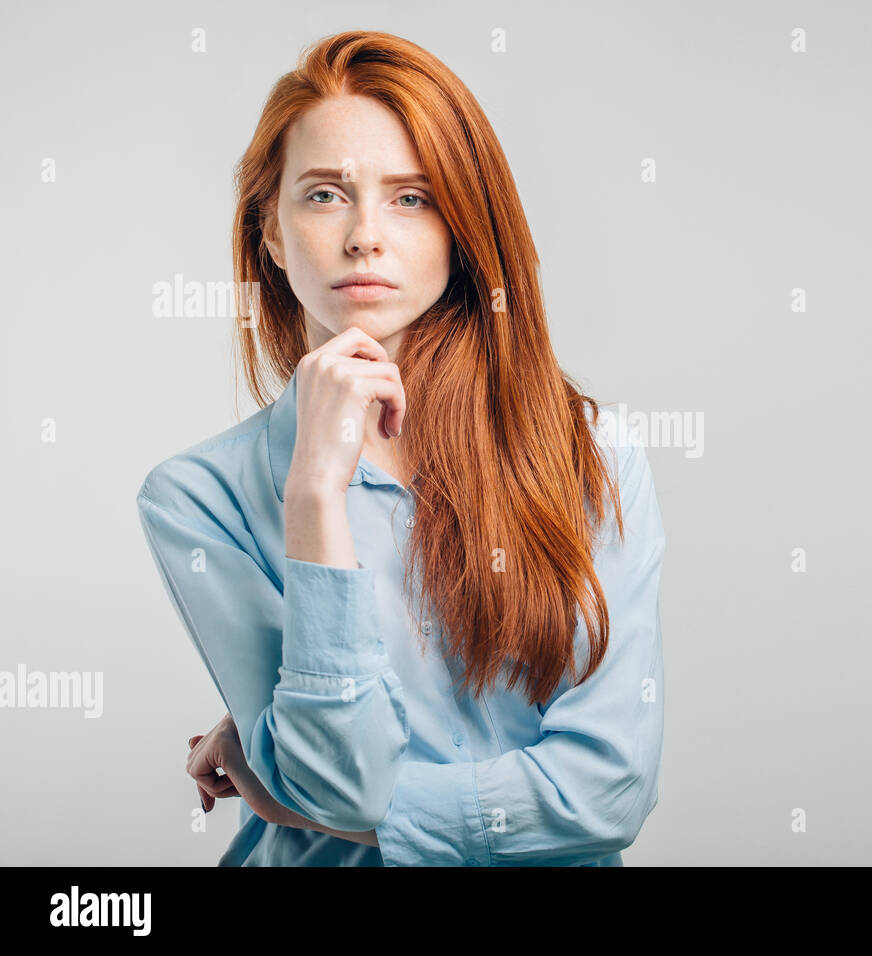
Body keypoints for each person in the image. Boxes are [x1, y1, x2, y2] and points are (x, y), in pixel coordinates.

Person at [135, 30, 666, 866]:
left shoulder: (592, 454)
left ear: (460, 229)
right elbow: (344, 783)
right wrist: (314, 492)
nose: (365, 237)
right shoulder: (196, 496)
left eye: (412, 197)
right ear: (269, 232)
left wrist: (290, 784)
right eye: (323, 196)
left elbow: (607, 793)